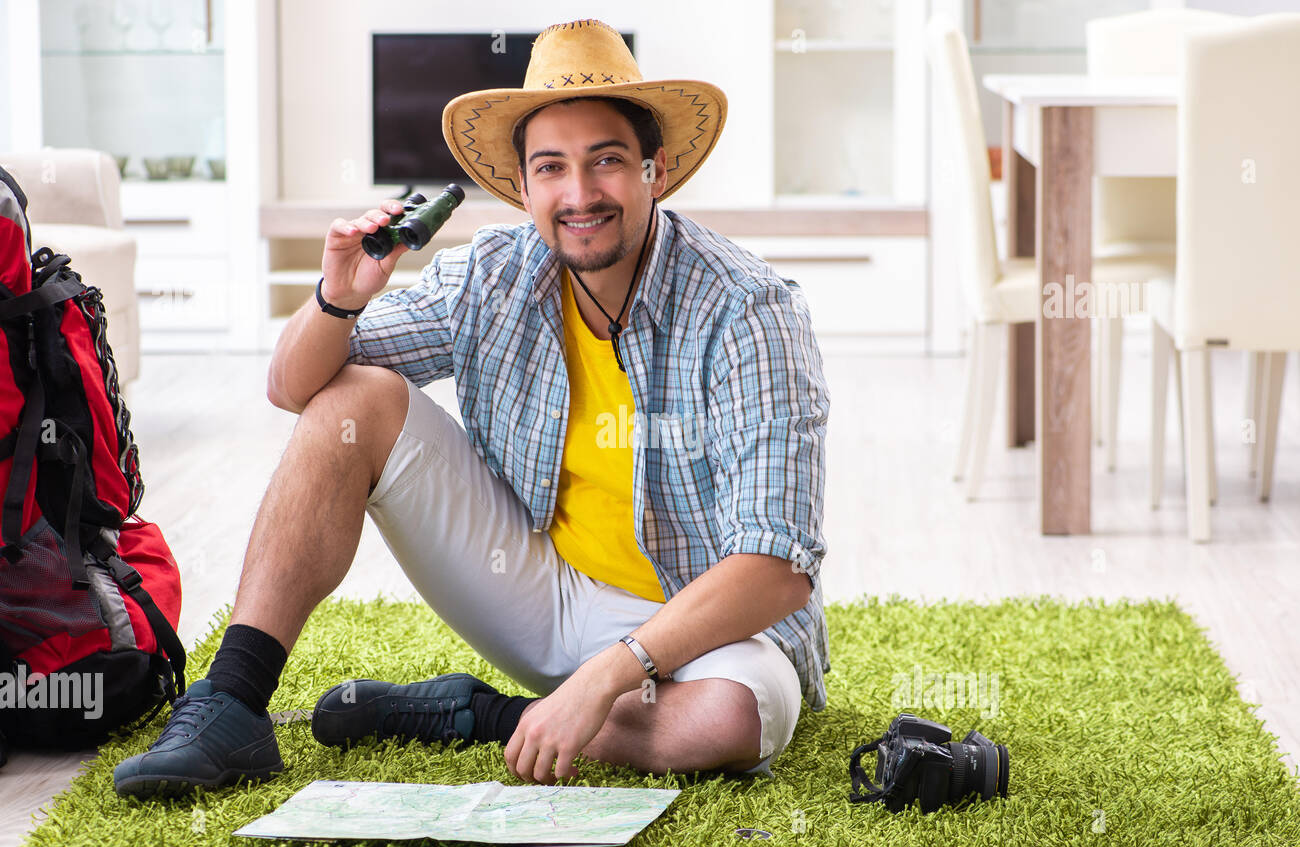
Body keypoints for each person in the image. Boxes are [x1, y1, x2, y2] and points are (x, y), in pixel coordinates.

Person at [113, 18, 831, 798]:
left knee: (728, 720)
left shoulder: (748, 310)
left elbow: (778, 568)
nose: (580, 193)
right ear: (522, 187)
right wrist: (336, 299)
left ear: (655, 171)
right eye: (551, 167)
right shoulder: (493, 275)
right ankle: (231, 702)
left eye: (608, 161)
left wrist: (608, 676)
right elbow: (293, 389)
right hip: (543, 592)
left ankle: (483, 715)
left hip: (697, 630)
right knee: (352, 399)